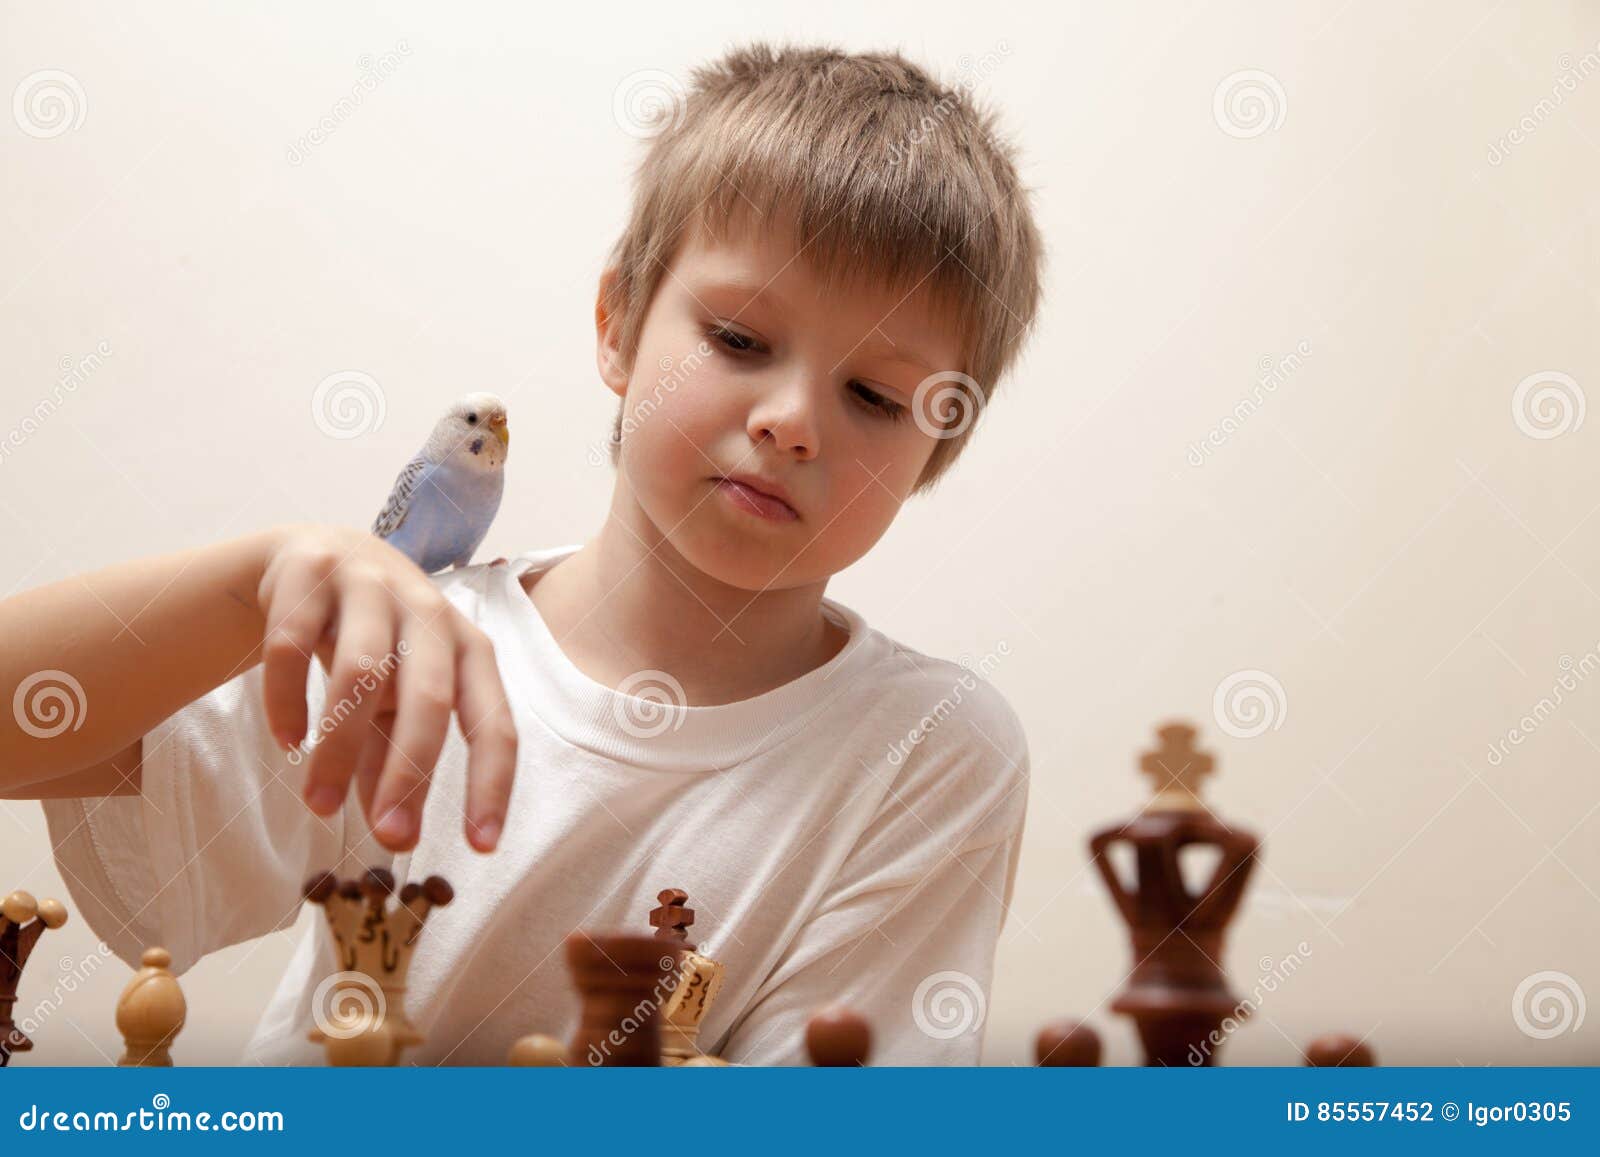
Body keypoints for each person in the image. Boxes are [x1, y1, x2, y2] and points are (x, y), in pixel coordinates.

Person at [0, 40, 1045, 1064]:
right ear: (617, 326)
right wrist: (253, 579)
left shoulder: (932, 751)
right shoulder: (411, 647)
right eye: (737, 339)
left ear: (938, 445)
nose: (792, 421)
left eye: (875, 396)